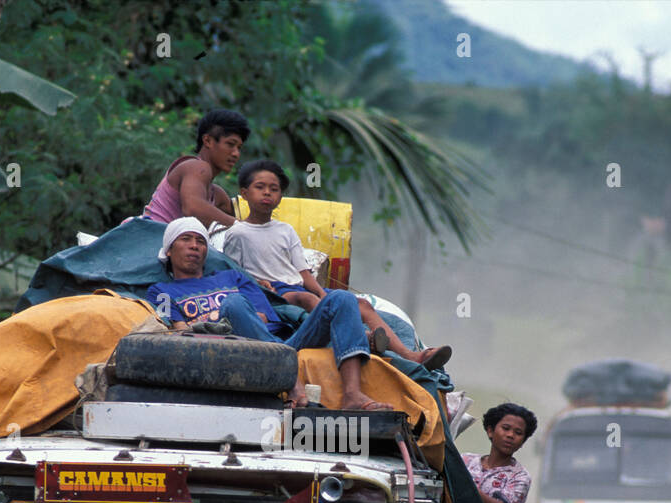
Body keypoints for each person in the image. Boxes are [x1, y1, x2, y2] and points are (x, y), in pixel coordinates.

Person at [220, 159, 451, 370]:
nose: (267, 193)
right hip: (272, 295)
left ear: (280, 196)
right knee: (307, 299)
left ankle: (410, 355)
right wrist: (260, 283)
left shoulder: (285, 230)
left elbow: (304, 273)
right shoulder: (237, 234)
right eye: (260, 187)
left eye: (274, 189)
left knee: (359, 304)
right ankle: (366, 339)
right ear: (244, 193)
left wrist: (322, 294)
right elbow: (235, 274)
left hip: (298, 287)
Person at [145, 217, 391, 411]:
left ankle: (352, 395)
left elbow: (263, 317)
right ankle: (292, 383)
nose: (194, 246)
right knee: (233, 304)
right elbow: (176, 331)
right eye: (185, 239)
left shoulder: (233, 277)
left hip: (278, 344)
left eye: (200, 241)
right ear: (168, 250)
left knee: (342, 298)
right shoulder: (160, 291)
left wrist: (222, 319)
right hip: (229, 349)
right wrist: (217, 325)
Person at [143, 109, 250, 228]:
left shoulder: (217, 195)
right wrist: (245, 228)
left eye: (239, 147)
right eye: (230, 144)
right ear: (208, 141)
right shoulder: (196, 167)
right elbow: (193, 209)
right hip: (150, 239)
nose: (236, 153)